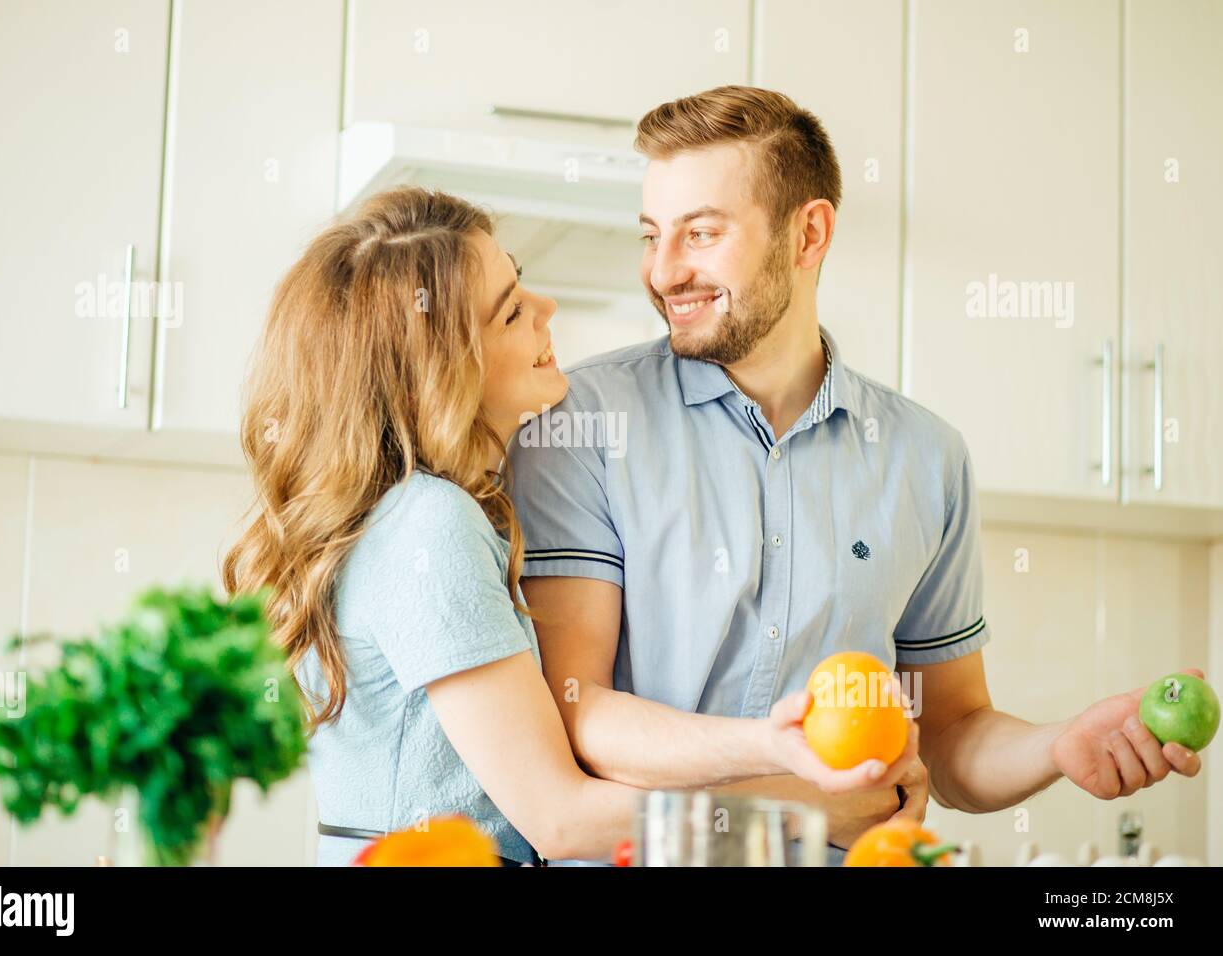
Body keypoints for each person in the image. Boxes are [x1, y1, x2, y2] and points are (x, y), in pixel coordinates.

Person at [506, 85, 1205, 867]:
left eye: (699, 233)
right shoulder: (581, 423)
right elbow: (580, 716)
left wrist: (1058, 746)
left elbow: (947, 734)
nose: (664, 270)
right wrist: (790, 779)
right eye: (651, 235)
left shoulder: (925, 458)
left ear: (809, 234)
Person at [222, 184, 917, 866]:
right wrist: (803, 813)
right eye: (509, 313)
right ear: (431, 376)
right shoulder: (430, 525)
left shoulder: (417, 514)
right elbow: (561, 817)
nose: (546, 307)